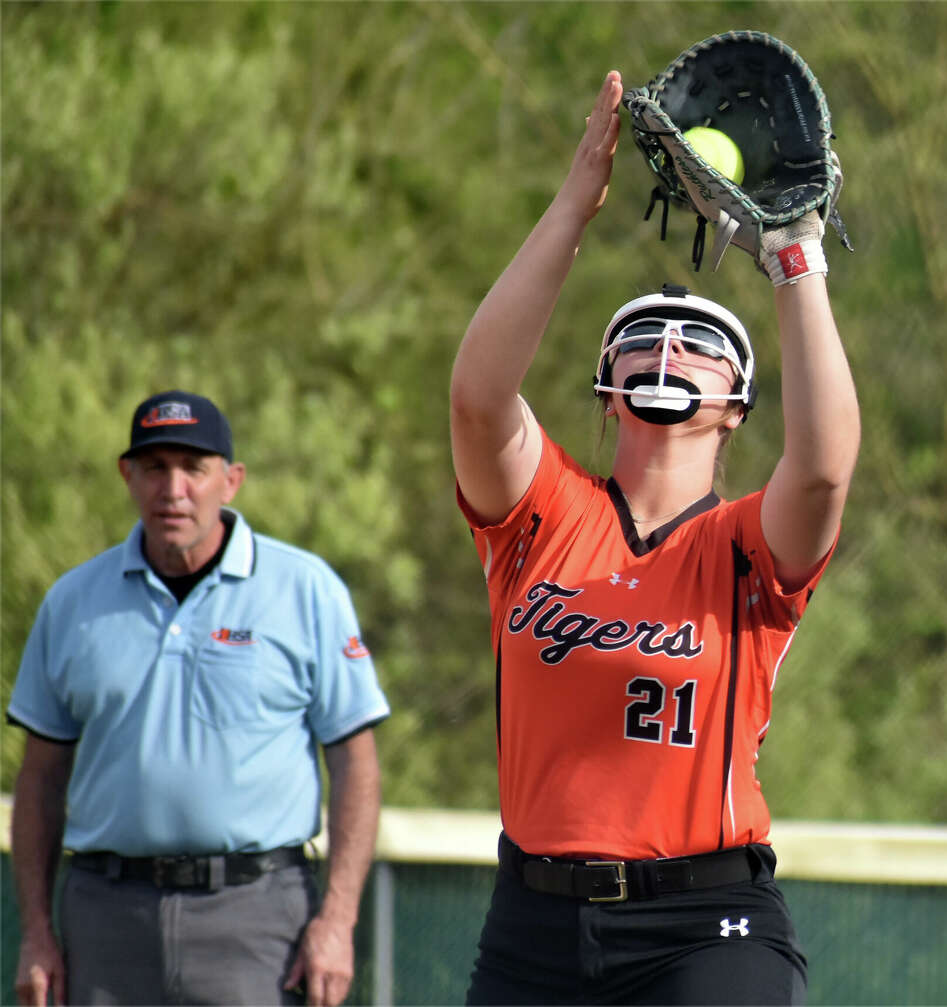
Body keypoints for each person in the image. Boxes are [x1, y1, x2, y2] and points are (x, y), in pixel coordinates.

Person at [449, 69, 861, 1006]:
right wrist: (572, 206)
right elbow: (478, 401)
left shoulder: (744, 546)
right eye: (642, 338)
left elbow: (827, 468)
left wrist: (794, 259)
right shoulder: (545, 514)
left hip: (704, 924)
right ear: (607, 388)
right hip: (534, 920)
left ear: (736, 407)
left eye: (701, 344)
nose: (669, 351)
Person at [8, 389, 391, 1007]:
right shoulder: (73, 602)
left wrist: (338, 924)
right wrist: (34, 934)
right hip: (105, 919)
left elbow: (356, 763)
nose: (174, 489)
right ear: (126, 475)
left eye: (194, 468)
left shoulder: (304, 589)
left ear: (231, 480)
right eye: (155, 468)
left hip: (258, 920)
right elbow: (40, 780)